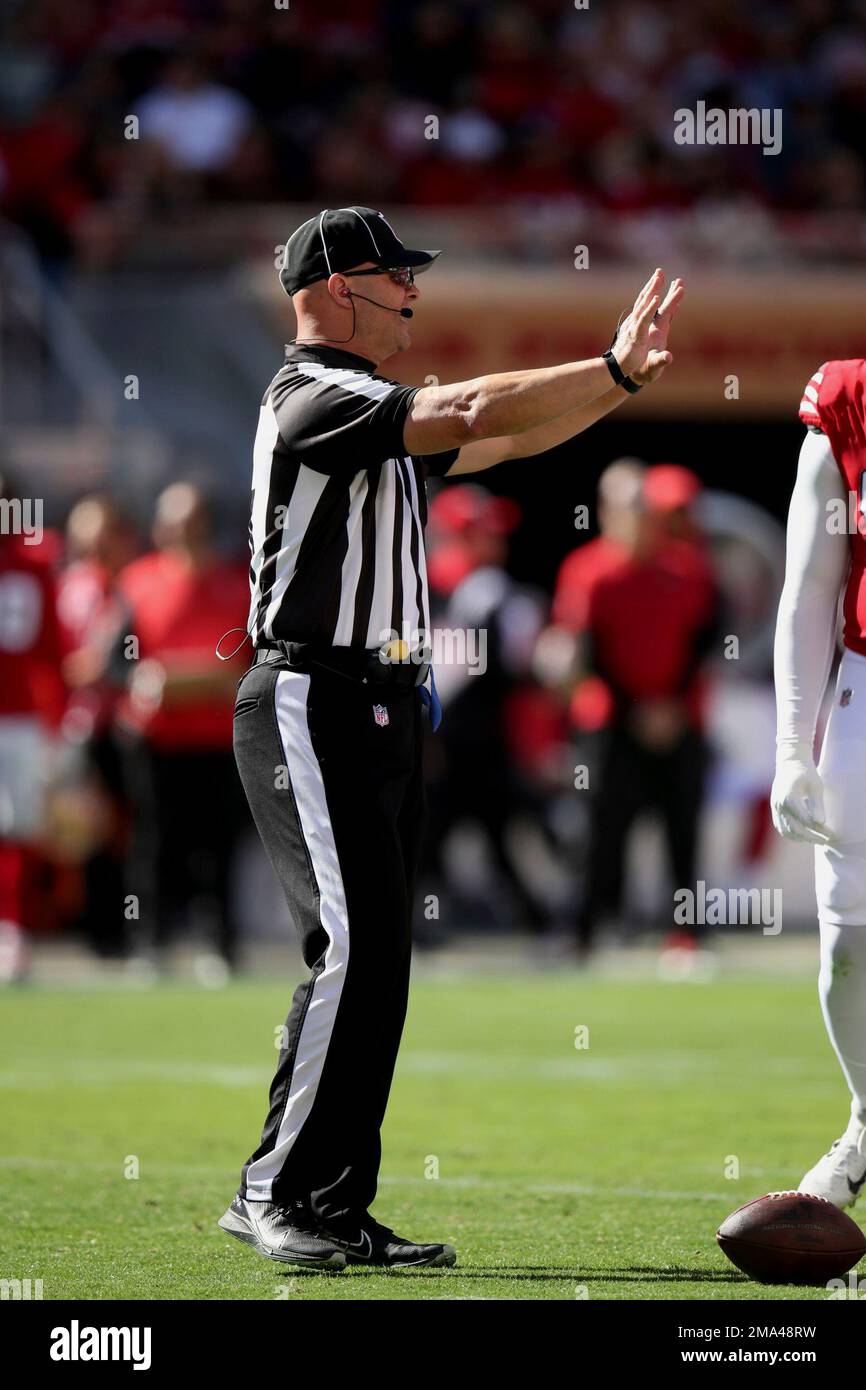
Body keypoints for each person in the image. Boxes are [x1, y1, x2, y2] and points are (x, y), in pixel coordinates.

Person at [219, 204, 684, 1271]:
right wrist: (605, 362)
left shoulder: (371, 417)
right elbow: (472, 402)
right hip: (309, 695)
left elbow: (506, 431)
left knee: (379, 960)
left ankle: (331, 1199)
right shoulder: (311, 397)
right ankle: (273, 1190)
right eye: (395, 277)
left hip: (377, 706)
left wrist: (613, 388)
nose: (414, 294)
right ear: (336, 289)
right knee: (348, 952)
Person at [550, 460, 718, 960]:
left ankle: (687, 933)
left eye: (648, 509)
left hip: (678, 721)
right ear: (607, 513)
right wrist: (637, 711)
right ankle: (586, 931)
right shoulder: (588, 571)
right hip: (612, 723)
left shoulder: (686, 568)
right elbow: (585, 651)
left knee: (682, 829)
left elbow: (704, 640)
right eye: (632, 509)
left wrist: (670, 706)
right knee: (601, 831)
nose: (643, 520)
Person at [771, 358, 866, 1208]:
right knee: (847, 953)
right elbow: (807, 592)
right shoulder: (849, 399)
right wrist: (792, 748)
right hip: (864, 692)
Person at [115, 483, 250, 975]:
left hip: (218, 738)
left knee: (218, 846)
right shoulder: (137, 581)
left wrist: (213, 681)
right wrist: (142, 678)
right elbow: (114, 655)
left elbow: (252, 660)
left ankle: (219, 945)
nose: (181, 532)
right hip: (157, 738)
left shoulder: (237, 585)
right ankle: (148, 941)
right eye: (173, 522)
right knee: (154, 843)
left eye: (191, 522)